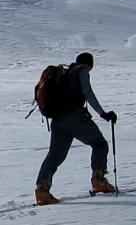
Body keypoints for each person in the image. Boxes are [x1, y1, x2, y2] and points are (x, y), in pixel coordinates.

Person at [35, 52, 117, 205]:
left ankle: (42, 191)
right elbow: (88, 93)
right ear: (89, 64)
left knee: (55, 155)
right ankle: (98, 181)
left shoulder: (65, 73)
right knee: (99, 144)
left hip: (58, 119)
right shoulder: (82, 71)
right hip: (75, 117)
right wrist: (103, 113)